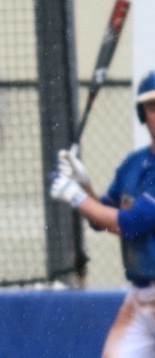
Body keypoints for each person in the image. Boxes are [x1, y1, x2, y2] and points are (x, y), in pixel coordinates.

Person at [50, 71, 155, 357]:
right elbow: (102, 219)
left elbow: (132, 224)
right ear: (142, 113)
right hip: (141, 295)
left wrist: (76, 196)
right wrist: (85, 186)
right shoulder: (135, 164)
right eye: (152, 107)